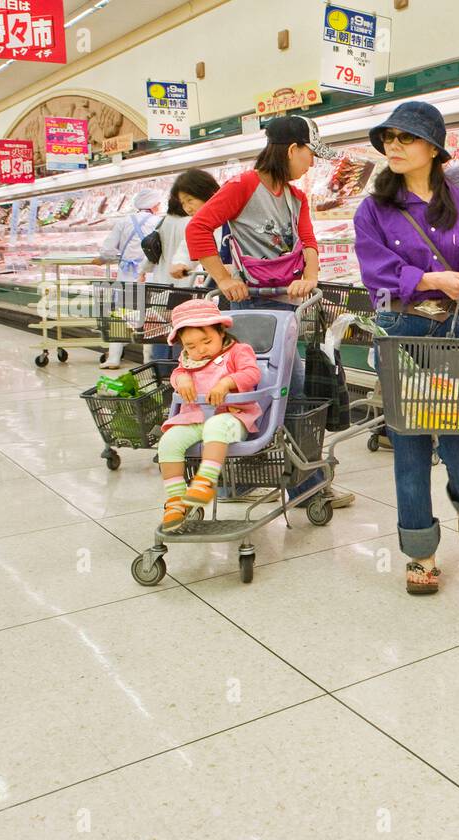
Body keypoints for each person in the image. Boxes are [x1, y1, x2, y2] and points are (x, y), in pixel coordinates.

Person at [353, 100, 459, 595]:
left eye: (405, 138)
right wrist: (432, 277)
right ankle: (419, 551)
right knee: (410, 446)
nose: (392, 147)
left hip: (457, 330)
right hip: (401, 330)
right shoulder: (373, 208)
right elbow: (375, 272)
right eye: (387, 139)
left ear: (434, 148)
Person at [185, 115, 351, 508]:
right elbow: (199, 228)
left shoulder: (298, 199)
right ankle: (248, 481)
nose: (312, 163)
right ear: (292, 149)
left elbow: (309, 242)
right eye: (310, 154)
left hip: (289, 308)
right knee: (253, 390)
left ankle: (294, 483)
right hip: (250, 308)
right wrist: (224, 279)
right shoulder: (243, 186)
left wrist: (309, 276)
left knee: (289, 392)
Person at [156, 299, 262, 532]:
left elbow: (252, 373)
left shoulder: (238, 351)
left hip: (232, 418)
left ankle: (205, 480)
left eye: (207, 341)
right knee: (168, 442)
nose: (200, 350)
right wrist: (181, 378)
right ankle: (176, 500)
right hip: (194, 417)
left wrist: (227, 382)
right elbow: (178, 373)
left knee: (215, 425)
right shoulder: (187, 360)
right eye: (191, 346)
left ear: (221, 331)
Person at [139, 168, 223, 362]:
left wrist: (146, 270)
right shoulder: (197, 223)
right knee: (184, 331)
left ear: (206, 193)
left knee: (170, 330)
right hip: (195, 286)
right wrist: (180, 263)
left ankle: (168, 368)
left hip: (172, 285)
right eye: (183, 202)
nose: (187, 207)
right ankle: (179, 370)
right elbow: (190, 246)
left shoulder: (226, 216)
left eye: (190, 200)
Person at [94, 187, 164, 368]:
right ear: (155, 205)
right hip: (151, 275)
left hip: (126, 275)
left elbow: (108, 250)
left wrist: (103, 259)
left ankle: (113, 358)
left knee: (121, 316)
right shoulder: (159, 222)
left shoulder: (124, 221)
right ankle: (148, 361)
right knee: (150, 317)